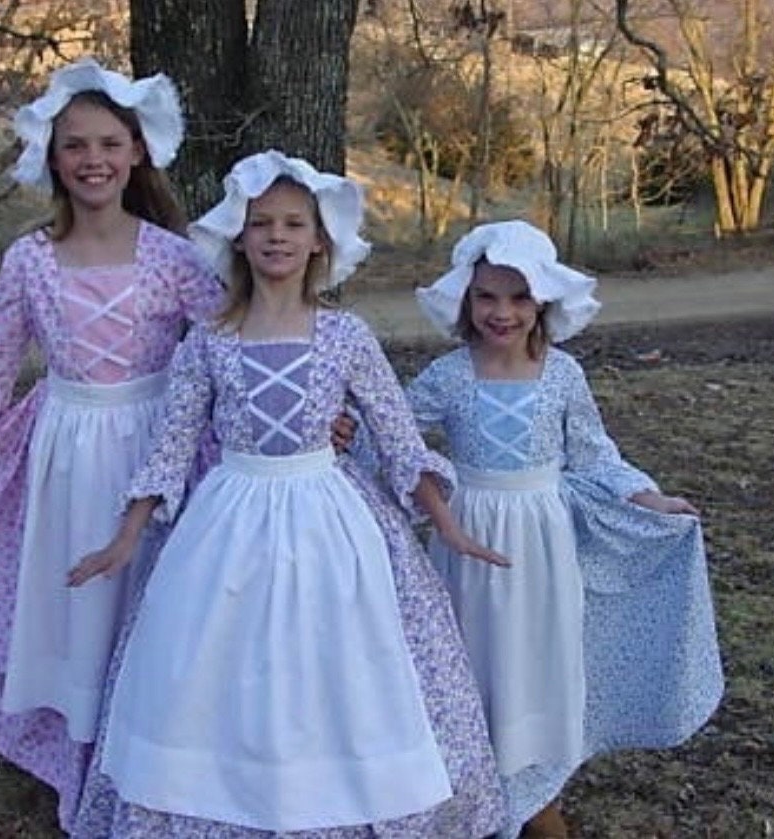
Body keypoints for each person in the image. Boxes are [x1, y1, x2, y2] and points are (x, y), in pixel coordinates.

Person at [65, 150, 508, 837]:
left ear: (319, 239)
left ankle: (335, 806)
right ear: (238, 236)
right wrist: (127, 534)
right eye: (262, 222)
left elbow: (397, 438)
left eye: (293, 223)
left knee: (342, 671)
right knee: (217, 675)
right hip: (230, 523)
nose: (277, 235)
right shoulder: (210, 340)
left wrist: (447, 524)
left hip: (331, 523)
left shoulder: (345, 334)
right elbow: (172, 447)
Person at [0, 58, 226, 829]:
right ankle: (76, 753)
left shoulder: (175, 256)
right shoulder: (30, 259)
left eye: (109, 143)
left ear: (137, 151)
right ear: (52, 158)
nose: (94, 160)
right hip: (63, 456)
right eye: (76, 145)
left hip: (156, 446)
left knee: (150, 598)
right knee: (80, 604)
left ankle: (146, 752)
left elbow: (232, 346)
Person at [407, 219, 725, 838]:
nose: (502, 312)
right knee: (475, 657)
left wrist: (648, 496)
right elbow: (393, 436)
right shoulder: (449, 375)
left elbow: (595, 453)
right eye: (487, 297)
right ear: (466, 301)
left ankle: (534, 791)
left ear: (544, 301)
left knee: (537, 656)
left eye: (519, 297)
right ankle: (479, 786)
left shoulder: (562, 375)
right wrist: (345, 436)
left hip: (544, 545)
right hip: (470, 538)